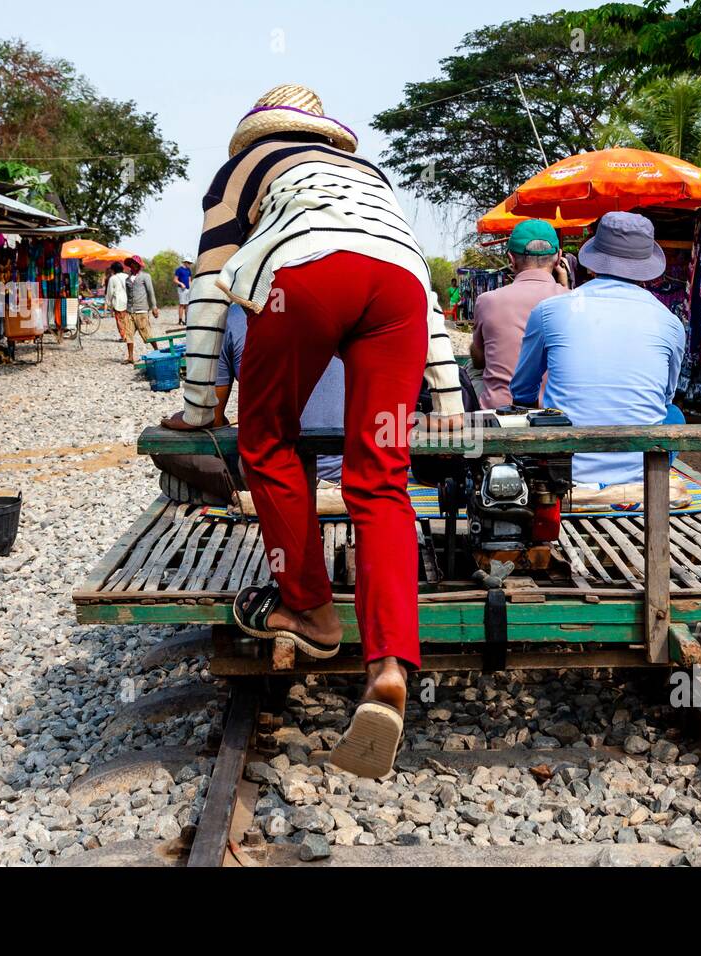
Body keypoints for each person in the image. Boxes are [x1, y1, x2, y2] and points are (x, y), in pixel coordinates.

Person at [158, 84, 463, 778]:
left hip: (306, 282)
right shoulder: (370, 177)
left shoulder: (242, 169)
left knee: (268, 441)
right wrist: (445, 397)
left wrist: (201, 408)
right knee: (381, 479)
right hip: (398, 294)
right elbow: (424, 291)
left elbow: (210, 287)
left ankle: (312, 612)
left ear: (257, 130)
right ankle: (387, 669)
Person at [511, 211, 687, 486]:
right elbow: (664, 398)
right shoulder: (670, 323)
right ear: (647, 267)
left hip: (564, 470)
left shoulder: (549, 311)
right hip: (639, 474)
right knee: (674, 415)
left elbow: (522, 391)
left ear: (594, 261)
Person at [214, 303, 345, 483]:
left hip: (275, 475)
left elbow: (212, 418)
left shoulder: (231, 317)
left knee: (169, 457)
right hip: (348, 470)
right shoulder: (345, 310)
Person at [469, 219, 568, 409]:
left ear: (511, 259)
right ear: (558, 258)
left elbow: (479, 360)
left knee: (471, 368)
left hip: (501, 412)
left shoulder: (487, 300)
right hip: (555, 412)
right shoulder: (571, 300)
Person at [120, 256, 158, 363]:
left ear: (139, 265)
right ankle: (130, 357)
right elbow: (128, 295)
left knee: (147, 334)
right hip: (129, 311)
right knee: (128, 334)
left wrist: (154, 307)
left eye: (135, 263)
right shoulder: (127, 279)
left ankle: (157, 351)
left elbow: (151, 292)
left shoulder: (145, 277)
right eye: (132, 263)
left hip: (142, 310)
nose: (133, 265)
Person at [104, 262, 129, 345]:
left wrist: (108, 302)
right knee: (127, 320)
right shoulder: (127, 276)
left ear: (114, 269)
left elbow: (110, 292)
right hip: (128, 301)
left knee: (119, 320)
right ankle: (128, 335)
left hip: (118, 302)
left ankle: (123, 336)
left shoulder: (113, 278)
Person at [174, 257, 193, 325]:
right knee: (182, 304)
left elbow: (190, 280)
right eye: (189, 263)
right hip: (181, 289)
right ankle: (180, 320)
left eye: (190, 263)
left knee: (187, 305)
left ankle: (187, 320)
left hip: (188, 289)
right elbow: (175, 280)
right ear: (185, 262)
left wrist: (191, 289)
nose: (190, 264)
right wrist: (181, 283)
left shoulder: (189, 270)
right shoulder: (179, 270)